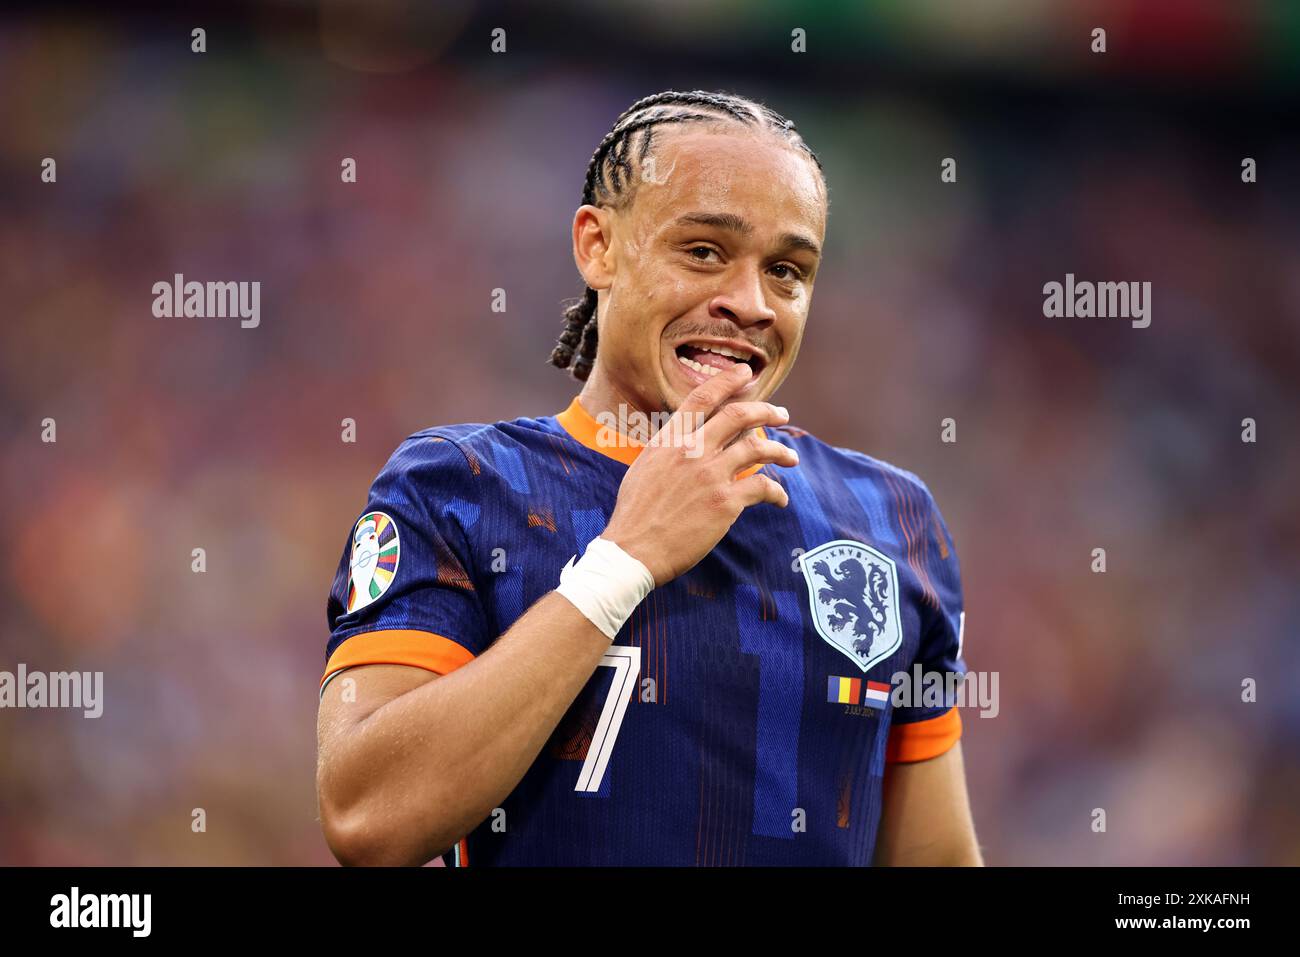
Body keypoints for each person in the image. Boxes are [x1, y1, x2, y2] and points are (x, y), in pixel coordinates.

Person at [316, 89, 981, 866]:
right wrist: (622, 562)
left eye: (787, 271)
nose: (750, 303)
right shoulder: (459, 487)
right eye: (703, 252)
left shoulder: (893, 520)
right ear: (598, 246)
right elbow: (367, 818)